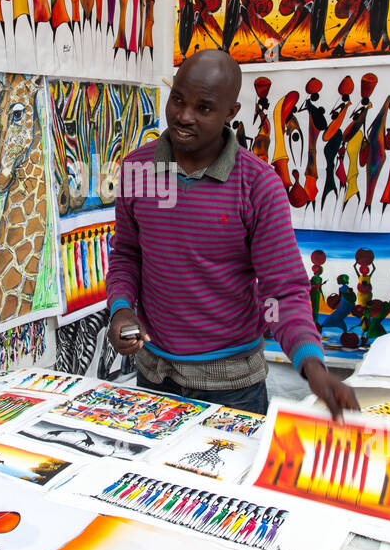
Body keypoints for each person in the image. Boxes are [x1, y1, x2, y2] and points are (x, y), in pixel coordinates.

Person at [106, 49, 357, 418]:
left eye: (204, 108)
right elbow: (127, 254)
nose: (184, 116)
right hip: (153, 374)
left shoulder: (258, 185)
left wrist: (313, 367)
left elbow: (282, 291)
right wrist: (121, 309)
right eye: (177, 100)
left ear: (230, 114)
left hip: (231, 385)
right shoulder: (138, 169)